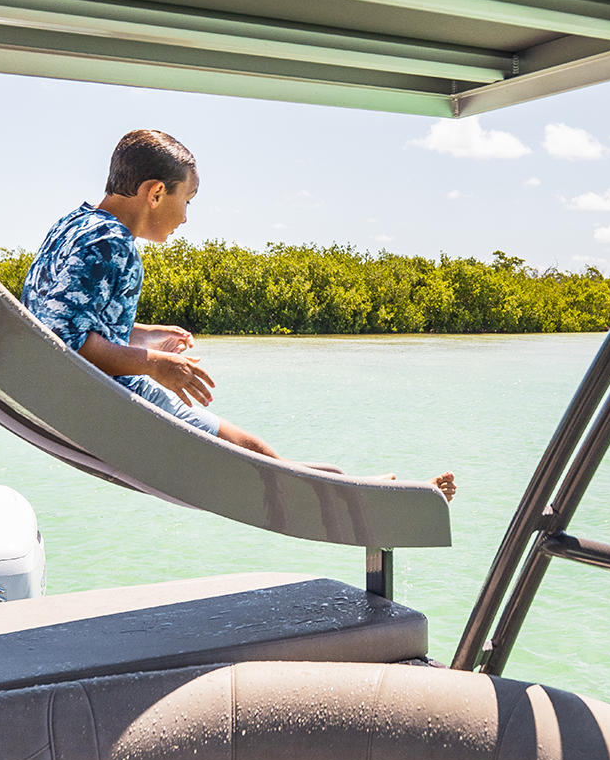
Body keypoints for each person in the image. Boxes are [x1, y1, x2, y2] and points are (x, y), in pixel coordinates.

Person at [22, 129, 455, 501]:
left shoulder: (74, 225)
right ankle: (384, 496)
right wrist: (157, 365)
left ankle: (368, 485)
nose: (186, 217)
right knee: (257, 461)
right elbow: (68, 341)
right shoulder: (113, 244)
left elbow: (67, 315)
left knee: (259, 454)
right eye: (187, 200)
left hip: (88, 392)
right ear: (155, 193)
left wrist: (147, 335)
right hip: (116, 402)